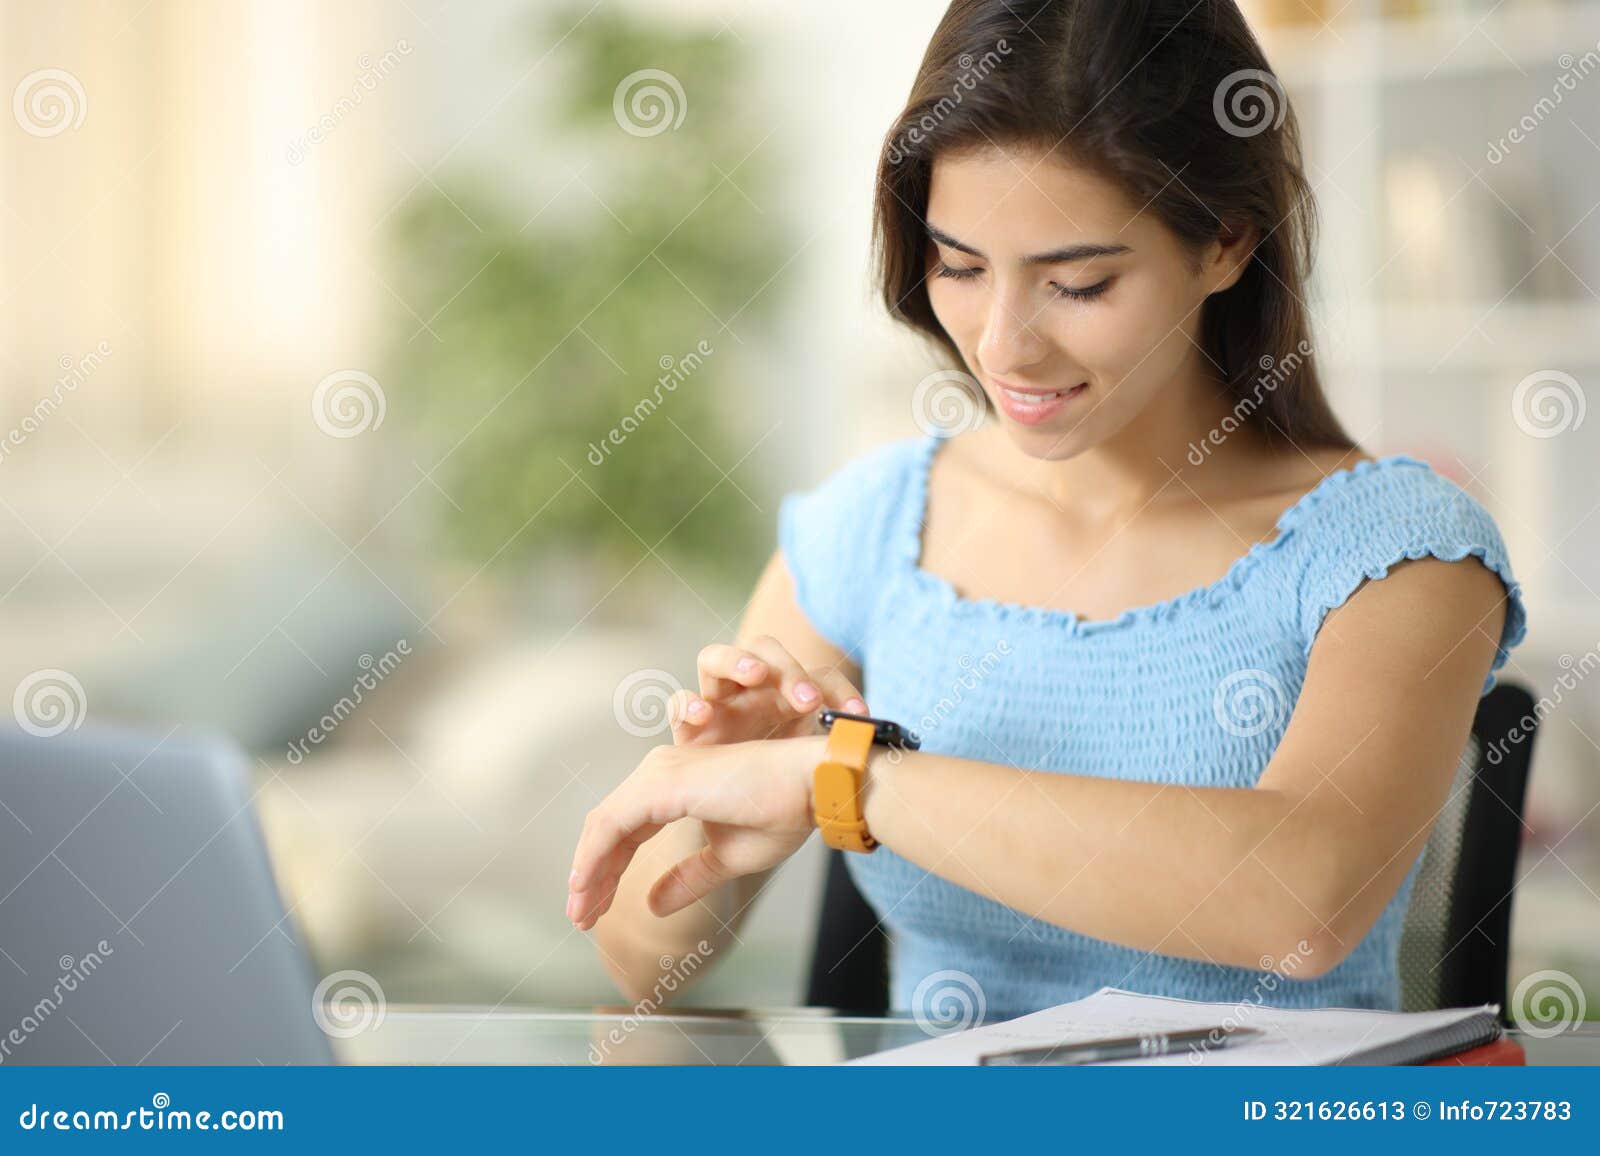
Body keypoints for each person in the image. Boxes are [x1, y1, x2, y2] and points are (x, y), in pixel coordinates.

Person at [567, 0, 1526, 1016]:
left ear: (1227, 242)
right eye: (960, 266)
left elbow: (1299, 903)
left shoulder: (1398, 550)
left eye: (1076, 282)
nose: (1003, 347)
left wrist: (847, 779)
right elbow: (637, 958)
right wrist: (717, 816)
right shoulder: (874, 525)